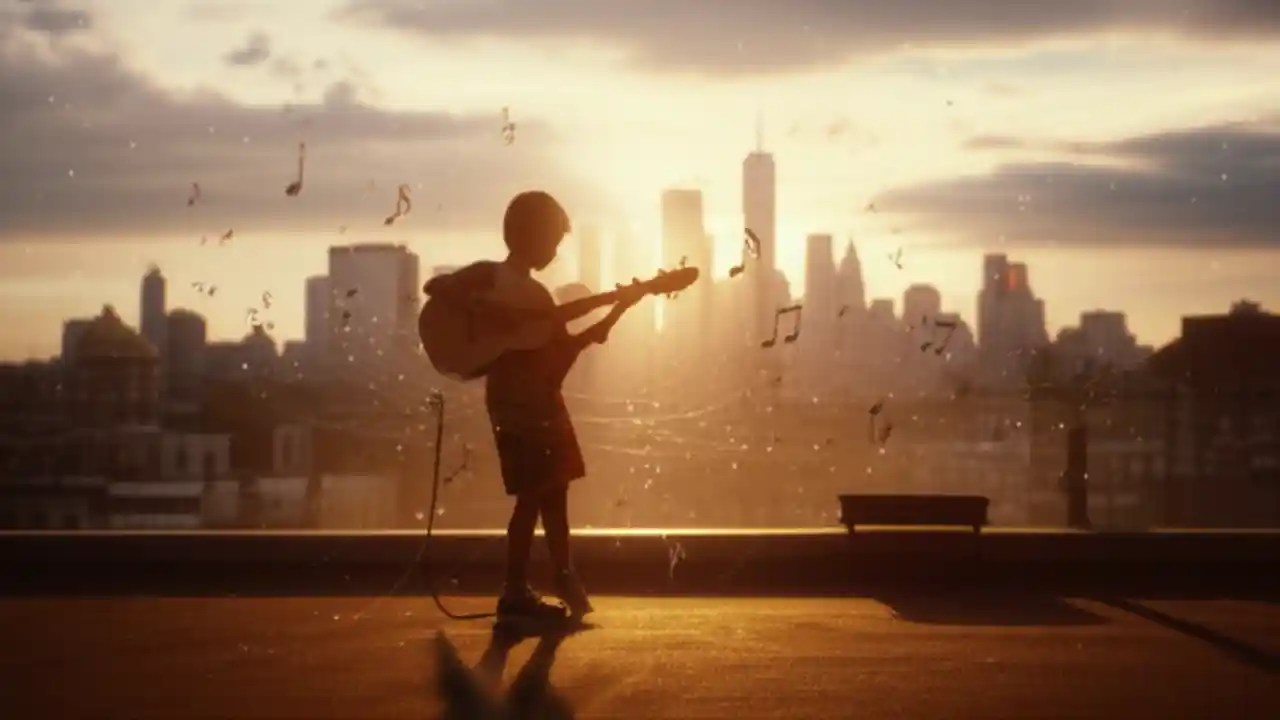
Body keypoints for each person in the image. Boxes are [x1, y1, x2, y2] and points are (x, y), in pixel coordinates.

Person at [424, 191, 640, 626]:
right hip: (515, 404)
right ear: (531, 235)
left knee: (555, 493)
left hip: (542, 400)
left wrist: (615, 311)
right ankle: (517, 590)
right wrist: (492, 313)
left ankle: (560, 575)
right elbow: (437, 288)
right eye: (552, 241)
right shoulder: (492, 277)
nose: (555, 251)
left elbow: (558, 348)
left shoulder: (540, 298)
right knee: (531, 497)